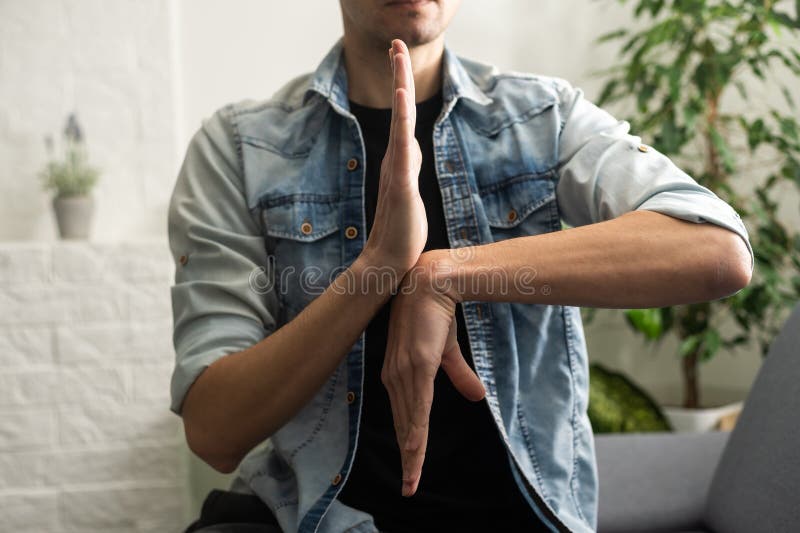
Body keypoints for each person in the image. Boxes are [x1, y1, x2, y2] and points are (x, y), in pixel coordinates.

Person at [168, 1, 753, 532]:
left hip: (517, 515)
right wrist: (379, 265)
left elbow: (716, 248)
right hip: (309, 518)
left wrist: (441, 274)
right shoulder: (240, 148)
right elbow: (215, 431)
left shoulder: (541, 118)